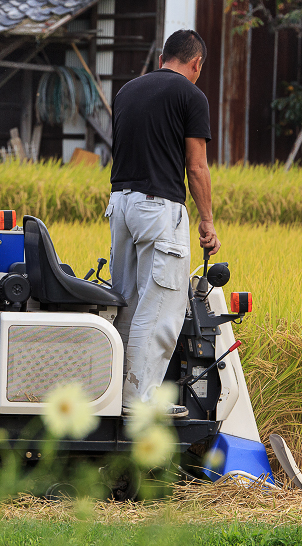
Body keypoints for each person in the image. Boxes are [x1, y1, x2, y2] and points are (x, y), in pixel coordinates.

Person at [105, 29, 220, 417]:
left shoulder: (127, 91)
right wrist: (206, 221)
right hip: (158, 209)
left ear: (160, 59)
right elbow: (197, 165)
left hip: (119, 205)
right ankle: (140, 400)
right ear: (196, 64)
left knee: (125, 303)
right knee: (163, 308)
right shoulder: (191, 95)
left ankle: (112, 393)